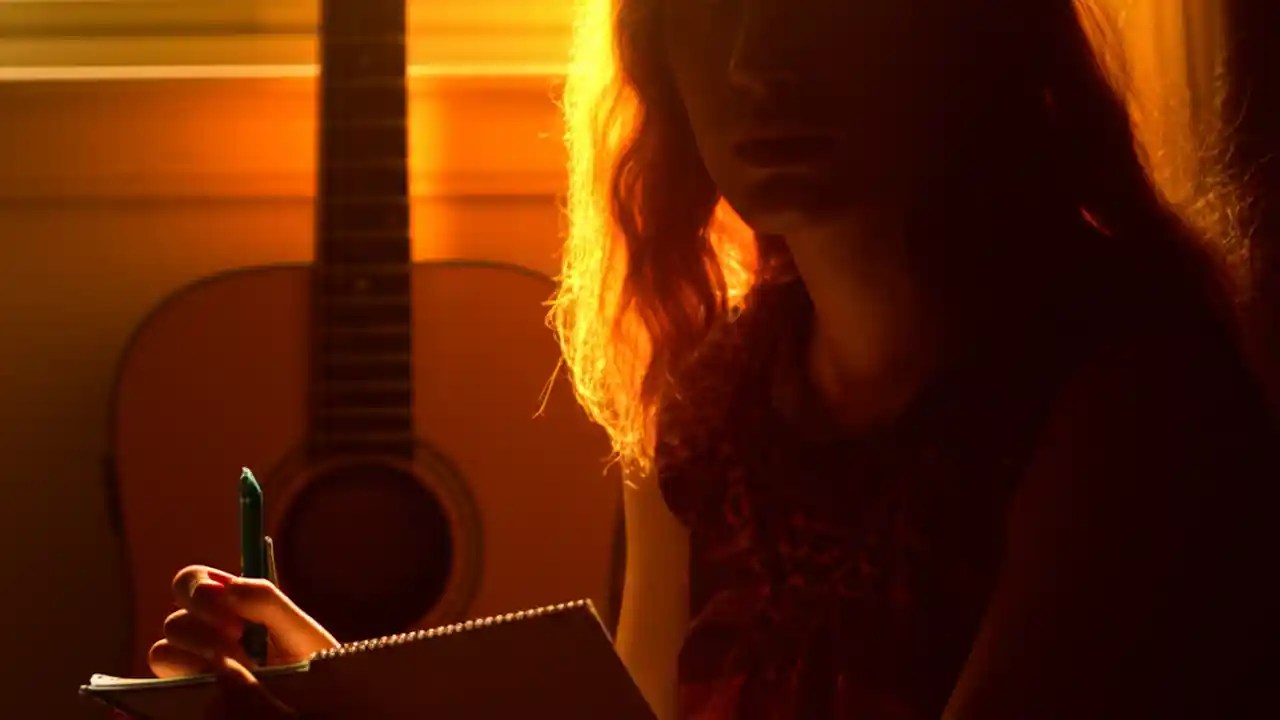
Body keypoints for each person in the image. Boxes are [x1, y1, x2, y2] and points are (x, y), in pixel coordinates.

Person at [147, 0, 1280, 718]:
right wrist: (338, 691)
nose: (753, 61)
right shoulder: (714, 400)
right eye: (706, 9)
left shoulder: (1124, 393)